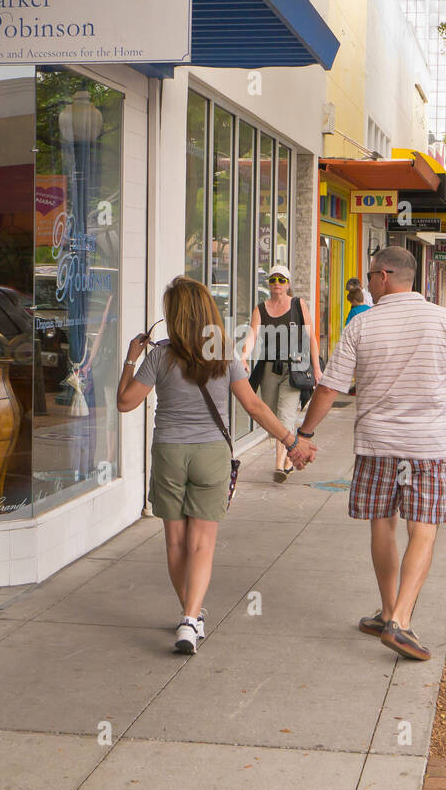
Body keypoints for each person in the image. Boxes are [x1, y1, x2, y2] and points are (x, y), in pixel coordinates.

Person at [299, 247, 446, 661]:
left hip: (377, 446)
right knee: (424, 528)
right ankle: (398, 619)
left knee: (383, 524)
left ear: (383, 276)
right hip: (429, 448)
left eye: (369, 275)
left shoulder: (363, 324)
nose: (367, 283)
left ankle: (388, 612)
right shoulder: (444, 321)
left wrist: (304, 433)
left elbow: (329, 388)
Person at [118, 276, 315, 653]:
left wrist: (131, 358)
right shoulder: (224, 352)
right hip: (211, 455)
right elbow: (255, 406)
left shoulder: (158, 355)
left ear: (174, 316)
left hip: (169, 453)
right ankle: (191, 619)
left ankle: (188, 616)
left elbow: (125, 403)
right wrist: (292, 442)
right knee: (202, 544)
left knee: (175, 541)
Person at [241, 264, 323, 483]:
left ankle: (282, 463)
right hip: (269, 368)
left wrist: (316, 368)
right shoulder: (261, 308)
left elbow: (311, 338)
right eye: (273, 280)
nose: (277, 284)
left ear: (288, 284)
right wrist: (243, 356)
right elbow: (252, 336)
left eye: (282, 280)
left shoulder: (298, 304)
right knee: (272, 417)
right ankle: (289, 453)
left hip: (294, 367)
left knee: (285, 415)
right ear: (268, 283)